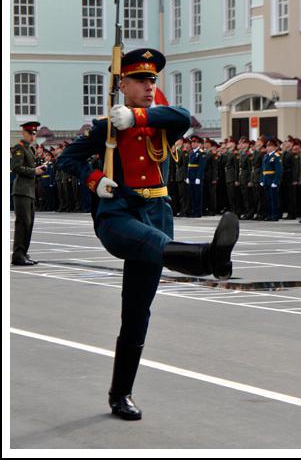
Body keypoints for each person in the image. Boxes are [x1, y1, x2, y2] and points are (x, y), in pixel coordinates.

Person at [57, 48, 239, 421]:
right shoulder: (105, 128)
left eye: (152, 80)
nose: (148, 86)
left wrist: (136, 116)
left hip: (157, 212)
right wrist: (96, 180)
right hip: (119, 214)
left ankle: (120, 394)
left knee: (137, 312)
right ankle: (207, 259)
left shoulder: (159, 122)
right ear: (121, 84)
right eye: (139, 80)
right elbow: (66, 160)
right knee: (152, 243)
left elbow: (184, 116)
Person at [11, 121, 48, 266]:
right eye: (30, 133)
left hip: (29, 191)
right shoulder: (18, 148)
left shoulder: (30, 150)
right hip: (21, 191)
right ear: (24, 133)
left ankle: (23, 253)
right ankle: (18, 255)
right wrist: (34, 171)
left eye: (34, 133)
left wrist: (38, 169)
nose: (33, 136)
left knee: (29, 223)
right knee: (23, 223)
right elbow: (16, 168)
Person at [260, 138, 283, 221]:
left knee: (274, 199)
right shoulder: (266, 156)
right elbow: (263, 170)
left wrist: (275, 181)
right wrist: (262, 180)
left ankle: (275, 215)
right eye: (267, 146)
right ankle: (269, 214)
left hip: (272, 179)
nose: (268, 148)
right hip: (266, 179)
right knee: (268, 199)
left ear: (275, 147)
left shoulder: (276, 156)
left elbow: (279, 170)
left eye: (270, 146)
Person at [186, 134, 205, 218]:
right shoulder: (191, 152)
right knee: (192, 194)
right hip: (191, 176)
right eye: (192, 142)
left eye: (195, 142)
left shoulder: (201, 153)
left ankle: (198, 212)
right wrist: (187, 176)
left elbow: (201, 167)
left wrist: (198, 177)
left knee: (198, 195)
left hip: (197, 176)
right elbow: (189, 166)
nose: (193, 144)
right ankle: (194, 211)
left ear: (198, 143)